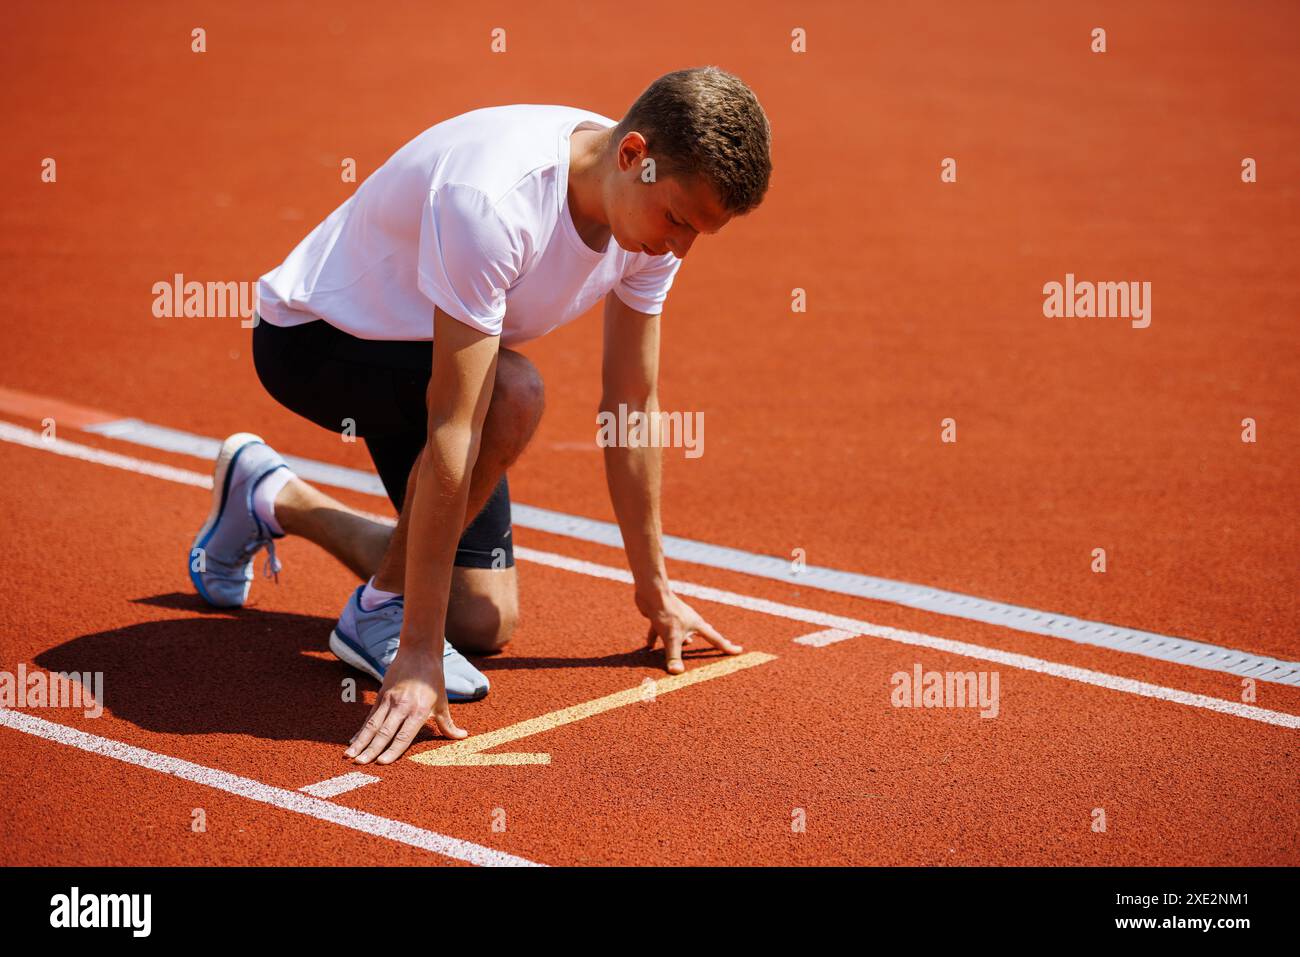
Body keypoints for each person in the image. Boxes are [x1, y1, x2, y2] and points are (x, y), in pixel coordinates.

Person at [187, 66, 773, 765]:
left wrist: (656, 591)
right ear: (632, 156)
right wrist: (414, 652)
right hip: (317, 341)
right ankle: (377, 613)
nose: (680, 248)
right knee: (514, 394)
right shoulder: (494, 202)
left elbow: (630, 408)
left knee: (482, 618)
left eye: (699, 233)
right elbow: (453, 429)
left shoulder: (650, 216)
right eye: (679, 221)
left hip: (435, 354)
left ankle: (270, 496)